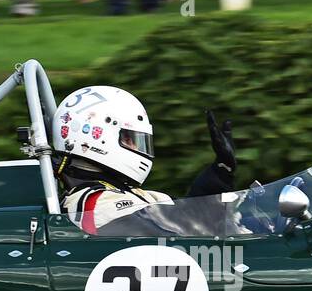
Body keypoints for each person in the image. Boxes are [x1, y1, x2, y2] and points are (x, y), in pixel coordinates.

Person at [53, 85, 236, 233]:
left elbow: (191, 222)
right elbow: (173, 236)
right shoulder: (91, 202)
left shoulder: (135, 194)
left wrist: (220, 174)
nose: (137, 148)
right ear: (96, 137)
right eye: (129, 139)